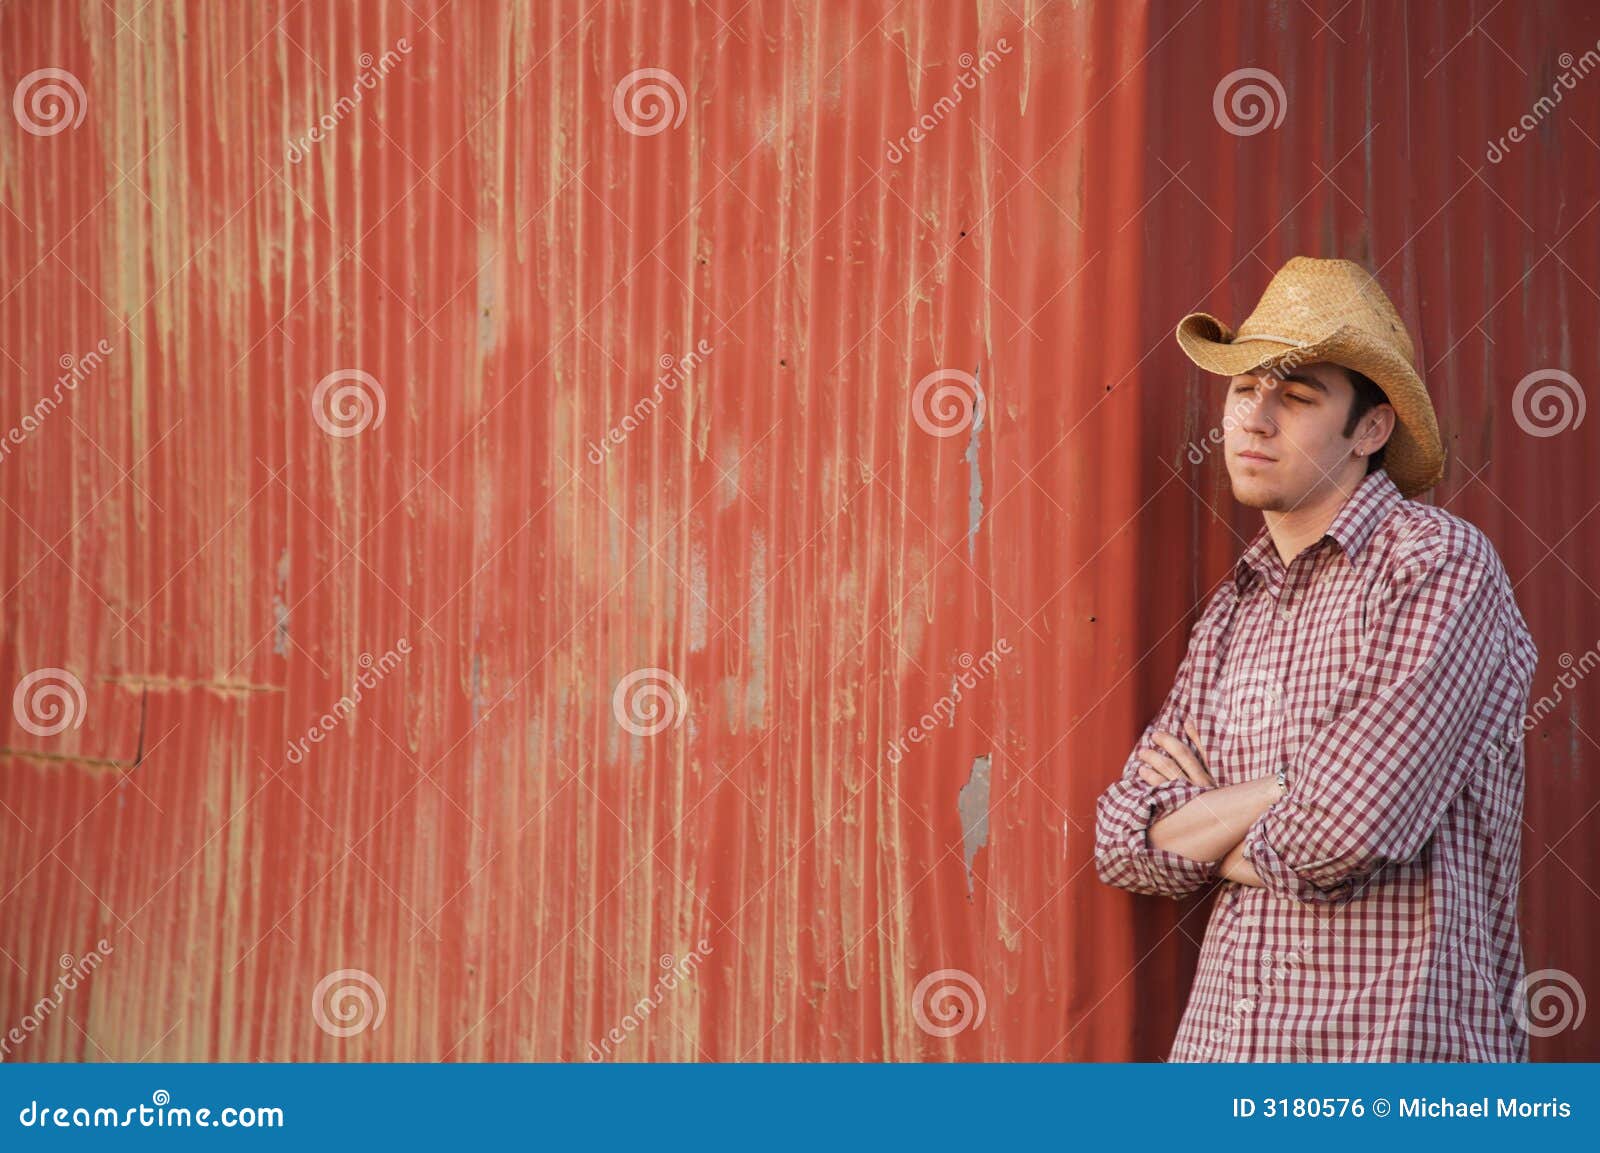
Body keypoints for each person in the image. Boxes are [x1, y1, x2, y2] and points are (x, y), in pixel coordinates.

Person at [1093, 256, 1538, 1061]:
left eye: (1296, 397)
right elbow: (1125, 840)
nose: (1253, 421)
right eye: (1242, 390)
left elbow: (1345, 831)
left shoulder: (1434, 564)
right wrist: (1291, 791)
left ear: (1370, 429)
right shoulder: (1238, 605)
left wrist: (1210, 824)